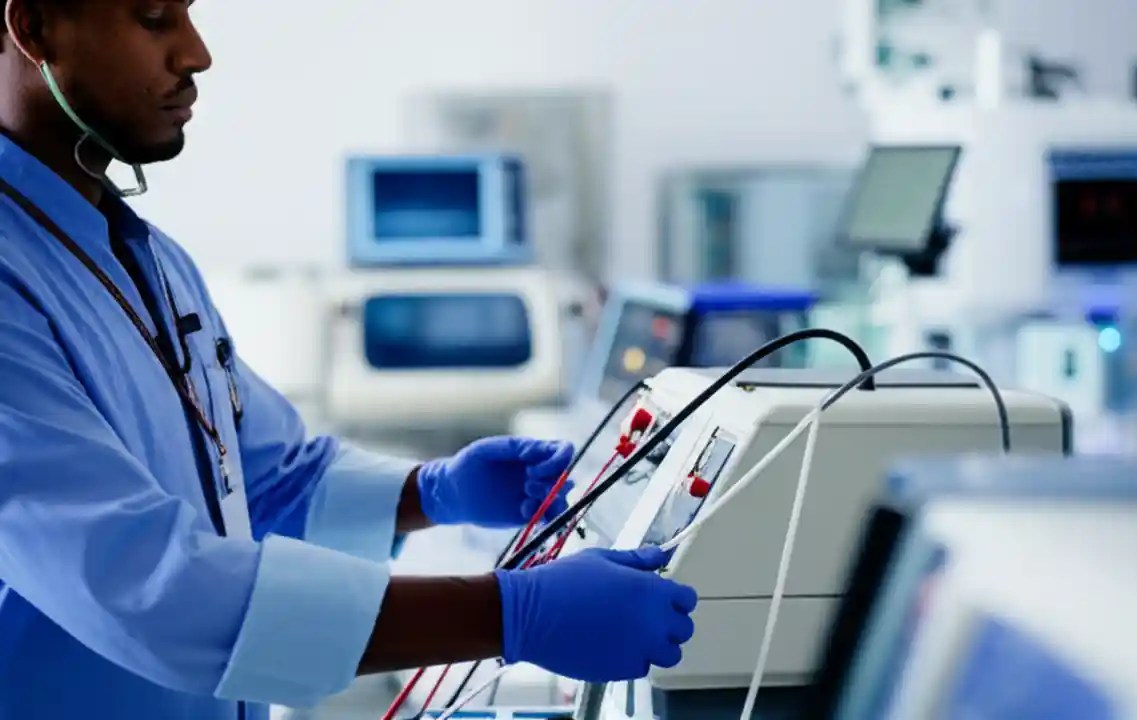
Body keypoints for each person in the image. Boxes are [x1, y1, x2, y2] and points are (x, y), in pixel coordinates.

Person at [0, 1, 697, 718]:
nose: (197, 53)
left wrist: (433, 492)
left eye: (189, 12)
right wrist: (509, 614)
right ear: (35, 28)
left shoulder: (146, 257)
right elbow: (145, 586)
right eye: (154, 17)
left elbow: (264, 479)